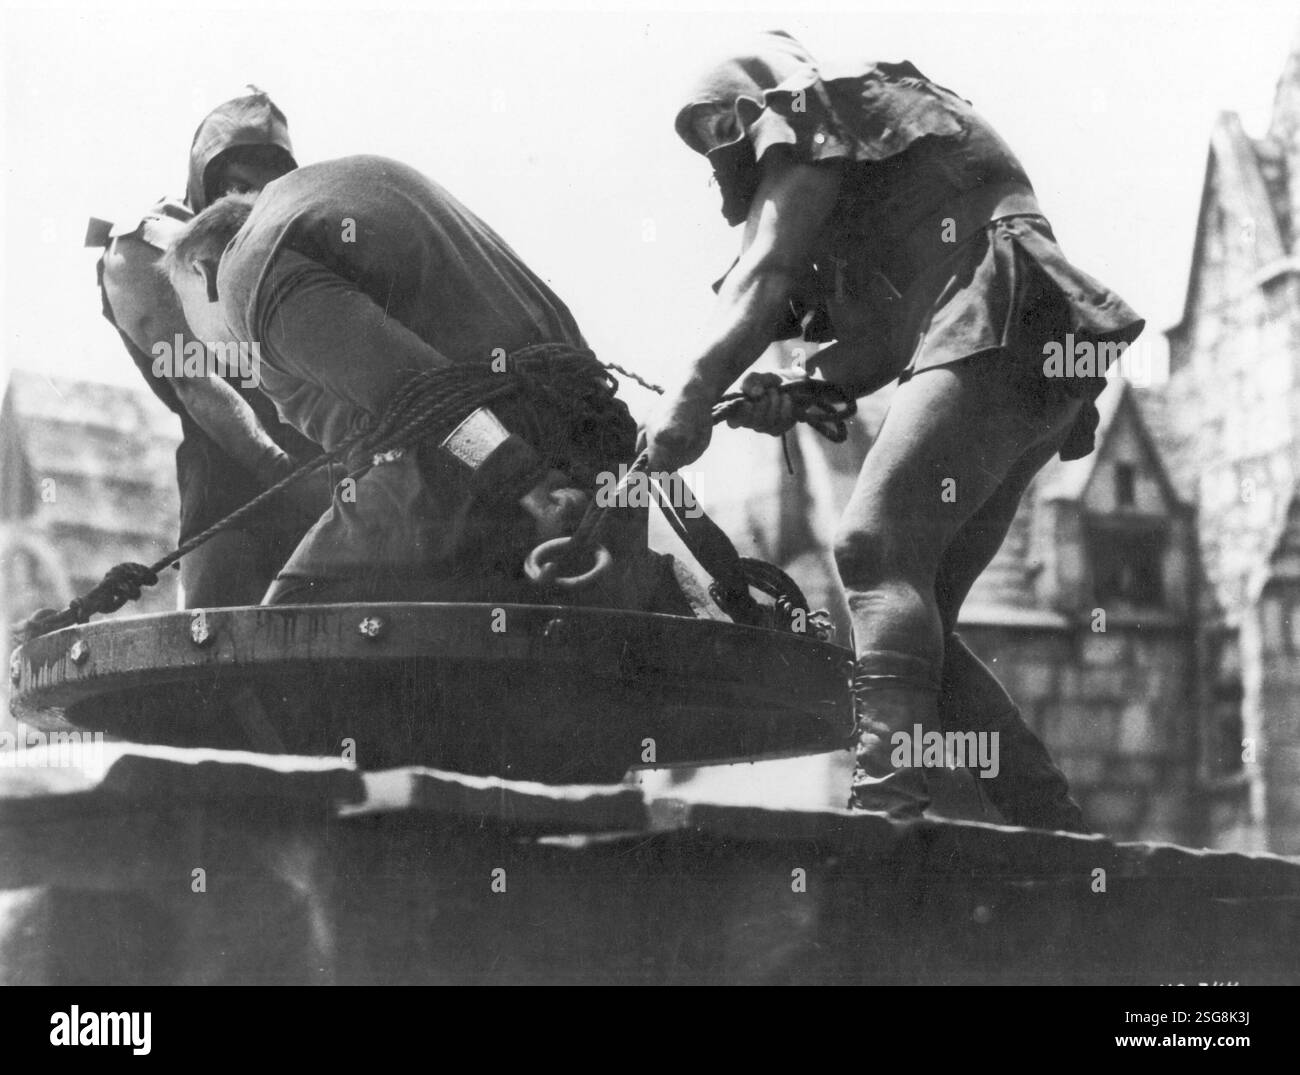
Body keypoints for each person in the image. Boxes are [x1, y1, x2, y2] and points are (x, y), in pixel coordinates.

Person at [642, 31, 1145, 829]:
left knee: (872, 549)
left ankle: (885, 805)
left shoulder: (815, 106)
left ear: (757, 95)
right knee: (917, 616)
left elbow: (766, 274)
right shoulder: (873, 149)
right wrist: (802, 387)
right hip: (1028, 341)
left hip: (995, 312)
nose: (722, 151)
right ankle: (1055, 822)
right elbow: (882, 339)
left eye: (722, 125)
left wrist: (691, 396)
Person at [159, 155, 691, 613]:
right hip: (598, 439)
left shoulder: (245, 266)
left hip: (493, 456)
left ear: (203, 271)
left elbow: (422, 393)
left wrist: (530, 483)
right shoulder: (327, 199)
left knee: (293, 612)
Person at [87, 89, 327, 607]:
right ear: (203, 179)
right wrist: (287, 477)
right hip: (233, 498)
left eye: (266, 188)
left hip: (333, 481)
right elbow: (194, 379)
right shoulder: (140, 249)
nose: (248, 203)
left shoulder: (300, 241)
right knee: (218, 660)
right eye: (236, 185)